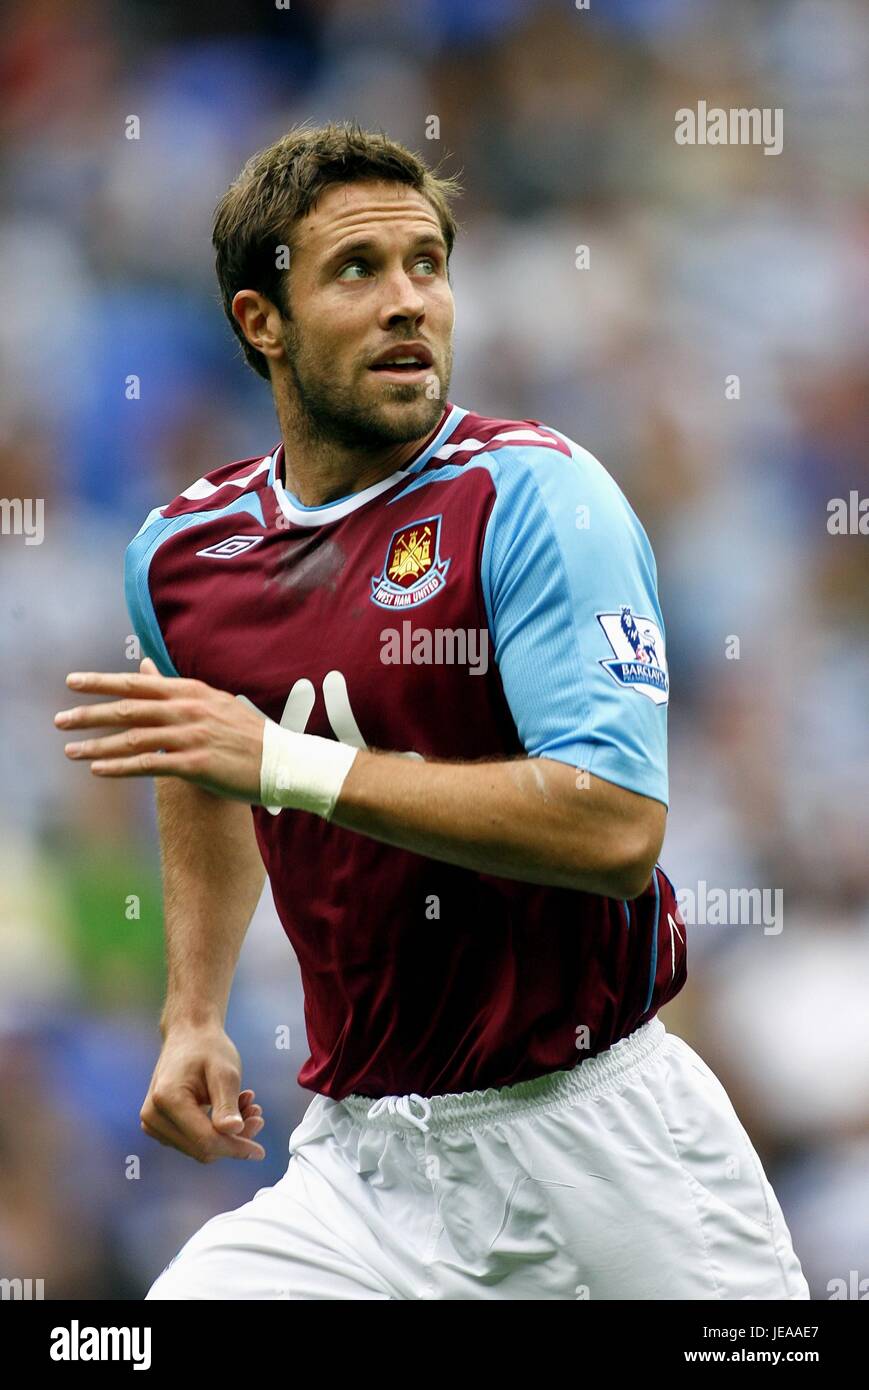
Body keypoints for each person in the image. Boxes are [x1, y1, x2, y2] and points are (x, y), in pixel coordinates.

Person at [54, 122, 809, 1300]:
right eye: (358, 270)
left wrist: (288, 763)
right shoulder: (182, 555)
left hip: (605, 1148)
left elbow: (613, 830)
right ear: (263, 323)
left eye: (427, 264)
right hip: (368, 1170)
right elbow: (204, 758)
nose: (410, 301)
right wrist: (192, 1008)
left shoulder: (537, 497)